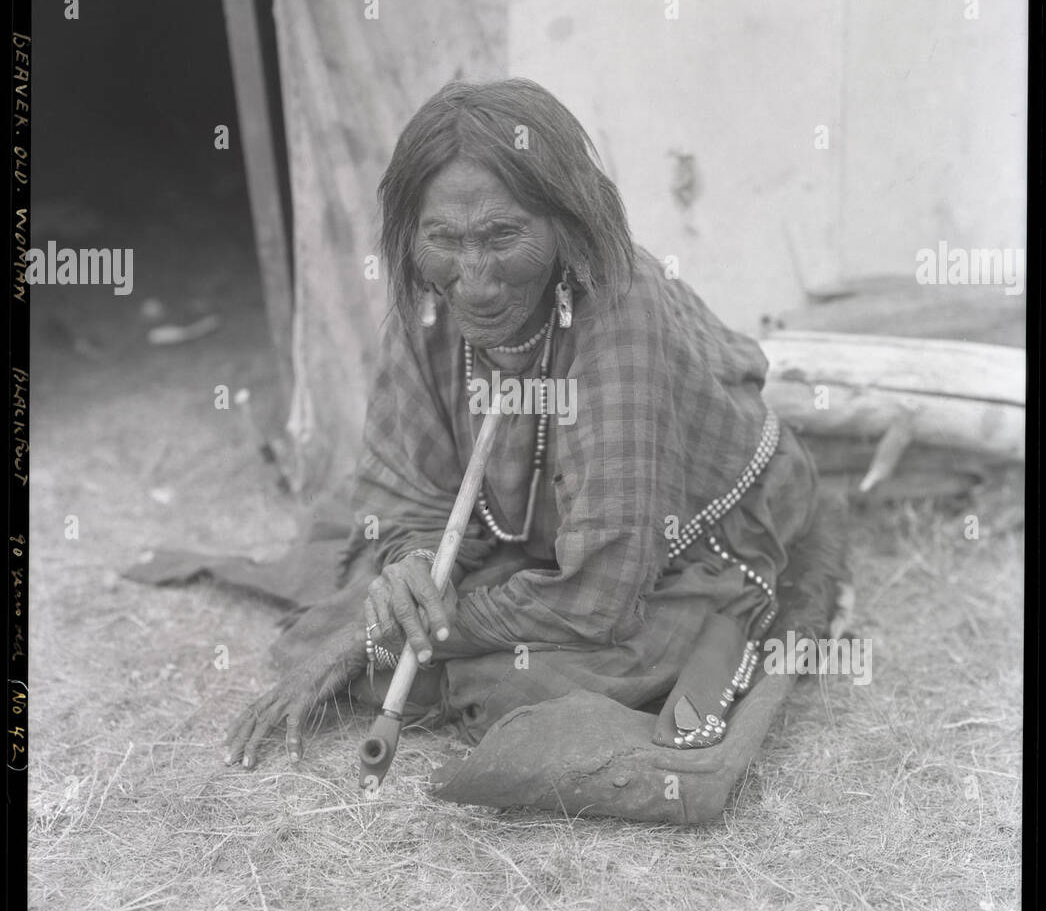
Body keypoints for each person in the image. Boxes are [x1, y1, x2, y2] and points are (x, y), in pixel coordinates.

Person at [224, 77, 827, 773]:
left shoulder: (618, 308)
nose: (474, 283)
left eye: (502, 236)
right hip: (544, 538)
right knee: (345, 623)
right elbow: (406, 495)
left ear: (567, 225)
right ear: (410, 235)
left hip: (688, 544)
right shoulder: (429, 304)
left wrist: (376, 635)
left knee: (513, 682)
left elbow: (600, 594)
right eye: (444, 240)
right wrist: (410, 567)